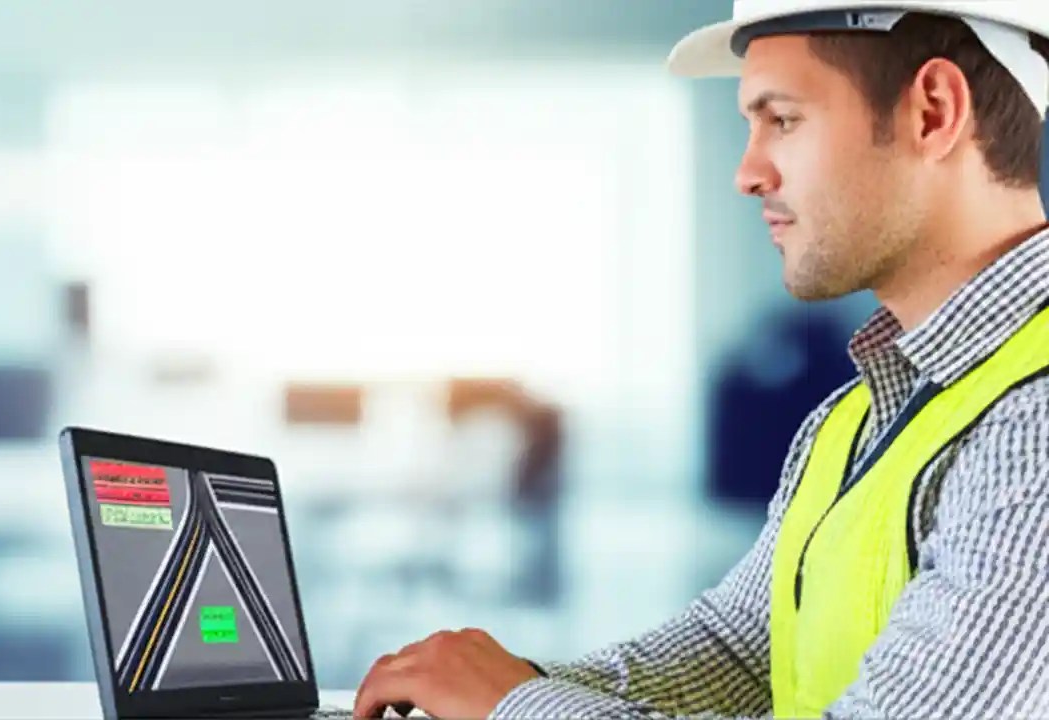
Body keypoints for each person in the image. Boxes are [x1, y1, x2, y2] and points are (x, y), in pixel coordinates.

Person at [353, 1, 1049, 717]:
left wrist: (516, 707)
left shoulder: (1034, 431)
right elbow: (739, 650)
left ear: (932, 112)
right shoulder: (853, 418)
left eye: (782, 120)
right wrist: (498, 687)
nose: (746, 173)